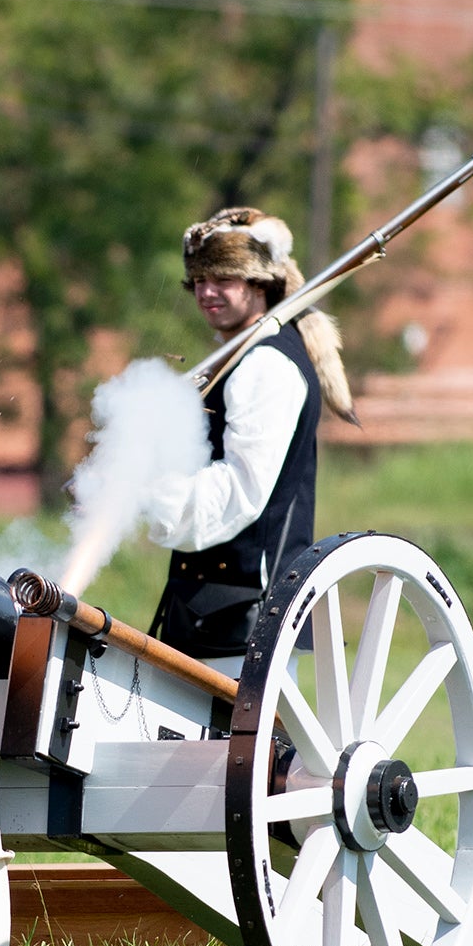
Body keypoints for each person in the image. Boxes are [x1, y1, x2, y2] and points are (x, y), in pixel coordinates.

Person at [144, 207, 355, 667]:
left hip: (244, 616)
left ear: (258, 283)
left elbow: (240, 489)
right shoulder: (238, 359)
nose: (207, 292)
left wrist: (146, 494)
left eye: (223, 278)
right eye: (199, 280)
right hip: (208, 612)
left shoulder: (266, 366)